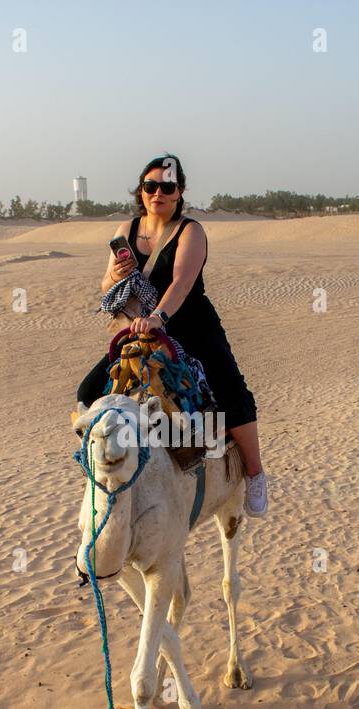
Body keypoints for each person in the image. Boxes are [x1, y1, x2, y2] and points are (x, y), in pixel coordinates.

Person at [77, 154, 268, 516]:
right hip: (138, 331)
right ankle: (101, 473)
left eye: (167, 187)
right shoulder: (125, 231)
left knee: (231, 392)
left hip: (190, 324)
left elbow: (181, 283)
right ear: (141, 190)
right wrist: (117, 275)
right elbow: (106, 286)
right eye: (151, 186)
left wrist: (159, 317)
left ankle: (255, 474)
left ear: (179, 192)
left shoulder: (190, 230)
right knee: (88, 394)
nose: (158, 193)